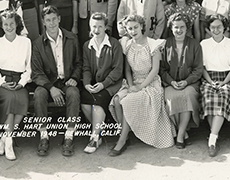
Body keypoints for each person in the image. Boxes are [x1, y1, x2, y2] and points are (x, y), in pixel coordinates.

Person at [109, 15, 174, 155]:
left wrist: (140, 87)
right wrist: (132, 85)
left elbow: (155, 70)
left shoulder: (152, 45)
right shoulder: (127, 44)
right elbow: (127, 70)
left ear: (142, 27)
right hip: (133, 81)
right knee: (116, 100)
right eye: (130, 28)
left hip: (150, 83)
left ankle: (122, 140)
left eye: (136, 27)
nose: (133, 31)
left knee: (127, 102)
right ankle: (125, 133)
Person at [31, 5, 82, 157]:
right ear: (43, 22)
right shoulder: (38, 44)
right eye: (48, 20)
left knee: (73, 93)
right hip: (48, 83)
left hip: (66, 81)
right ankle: (44, 135)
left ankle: (69, 135)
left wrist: (74, 77)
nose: (52, 23)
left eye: (54, 19)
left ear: (59, 19)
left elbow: (79, 63)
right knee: (39, 94)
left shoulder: (71, 38)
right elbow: (36, 72)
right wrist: (50, 87)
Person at [0, 11, 32, 160]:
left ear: (17, 24)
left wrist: (21, 83)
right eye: (5, 24)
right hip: (1, 81)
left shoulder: (26, 42)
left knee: (22, 100)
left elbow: (29, 67)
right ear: (1, 25)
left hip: (19, 80)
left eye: (12, 24)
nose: (9, 27)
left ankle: (5, 140)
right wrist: (2, 83)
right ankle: (9, 143)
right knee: (9, 100)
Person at [80, 12, 123, 154]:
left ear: (105, 27)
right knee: (85, 101)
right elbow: (86, 68)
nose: (96, 30)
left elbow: (117, 70)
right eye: (93, 26)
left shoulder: (114, 44)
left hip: (111, 84)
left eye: (100, 26)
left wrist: (103, 84)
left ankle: (94, 137)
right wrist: (86, 83)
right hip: (94, 83)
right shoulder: (87, 45)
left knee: (98, 101)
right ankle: (98, 131)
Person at [200, 14, 230, 157]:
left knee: (221, 98)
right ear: (209, 29)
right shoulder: (204, 44)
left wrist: (224, 82)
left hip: (227, 78)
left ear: (225, 28)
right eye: (213, 27)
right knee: (209, 99)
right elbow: (202, 68)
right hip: (209, 78)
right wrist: (210, 82)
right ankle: (214, 135)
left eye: (219, 27)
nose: (216, 30)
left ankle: (212, 138)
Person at [160, 13, 203, 149]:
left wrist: (186, 82)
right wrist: (171, 82)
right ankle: (181, 131)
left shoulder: (195, 44)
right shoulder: (165, 44)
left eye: (182, 27)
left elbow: (198, 69)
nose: (179, 30)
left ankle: (180, 134)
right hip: (170, 82)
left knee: (187, 96)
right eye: (176, 27)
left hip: (189, 83)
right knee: (171, 98)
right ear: (171, 28)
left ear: (187, 28)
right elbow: (161, 69)